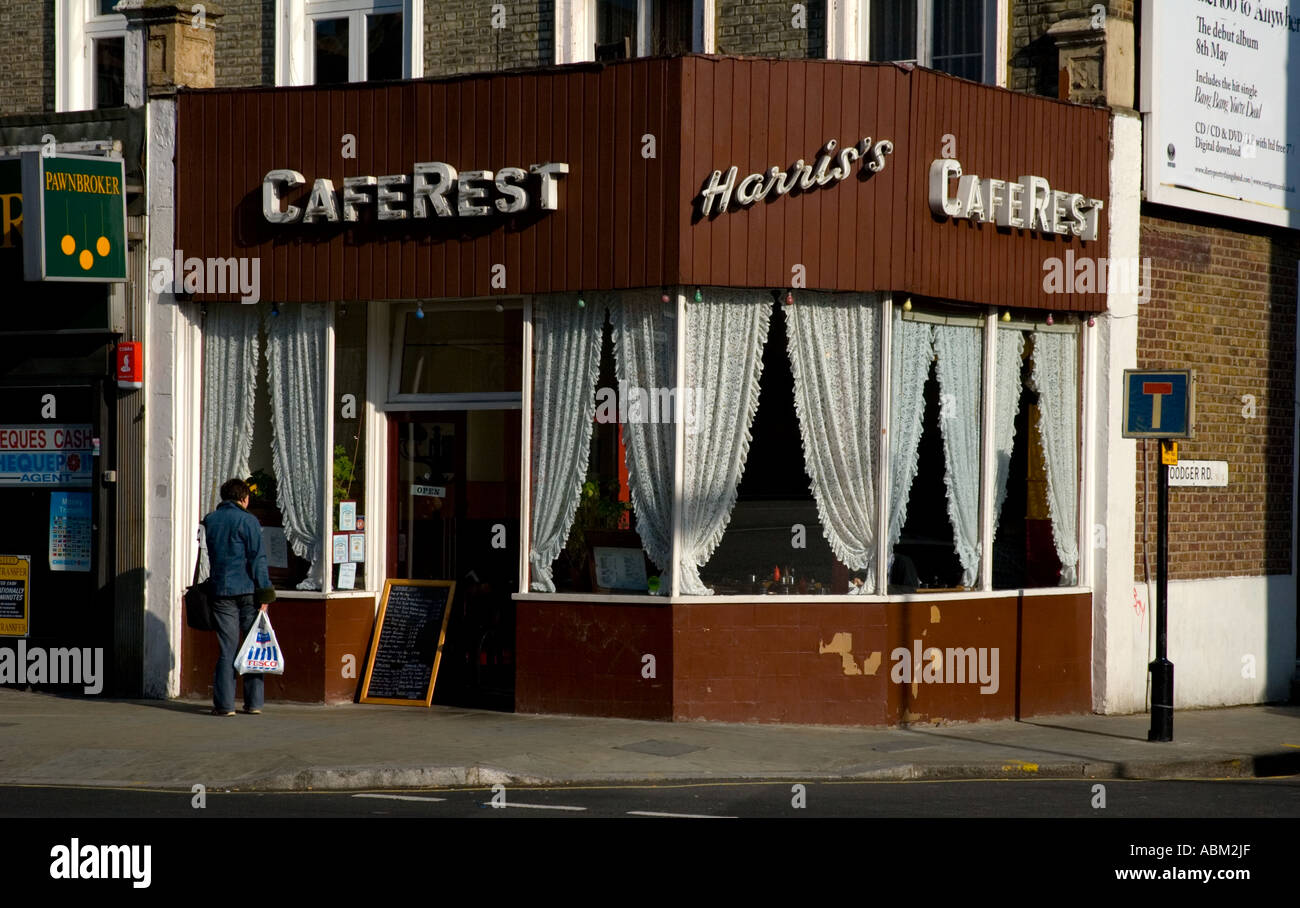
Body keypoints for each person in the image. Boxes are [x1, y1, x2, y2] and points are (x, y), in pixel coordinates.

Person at [202, 478, 276, 716]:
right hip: (248, 591)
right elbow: (257, 558)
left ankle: (224, 705)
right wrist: (265, 591)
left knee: (227, 648)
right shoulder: (249, 521)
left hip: (221, 591)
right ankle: (253, 702)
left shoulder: (211, 521)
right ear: (244, 498)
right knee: (253, 645)